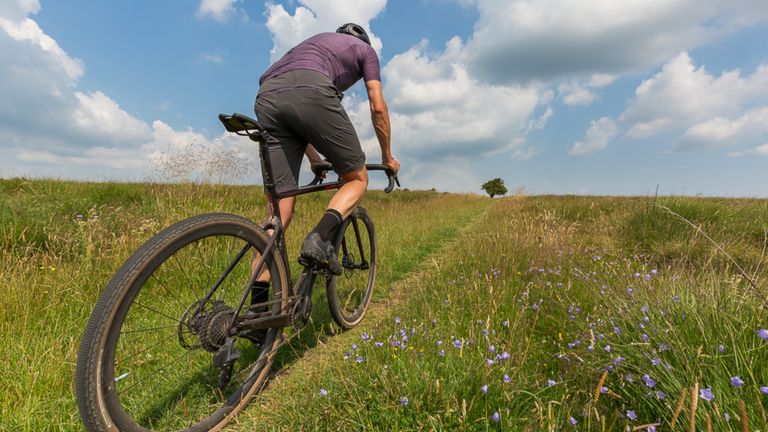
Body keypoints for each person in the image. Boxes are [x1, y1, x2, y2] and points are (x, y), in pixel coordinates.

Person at [250, 23, 399, 302]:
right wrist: (387, 157)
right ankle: (318, 238)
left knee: (278, 212)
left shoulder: (312, 44)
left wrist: (315, 160)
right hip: (311, 88)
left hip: (267, 95)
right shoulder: (365, 51)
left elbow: (294, 116)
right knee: (357, 178)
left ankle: (256, 312)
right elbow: (377, 106)